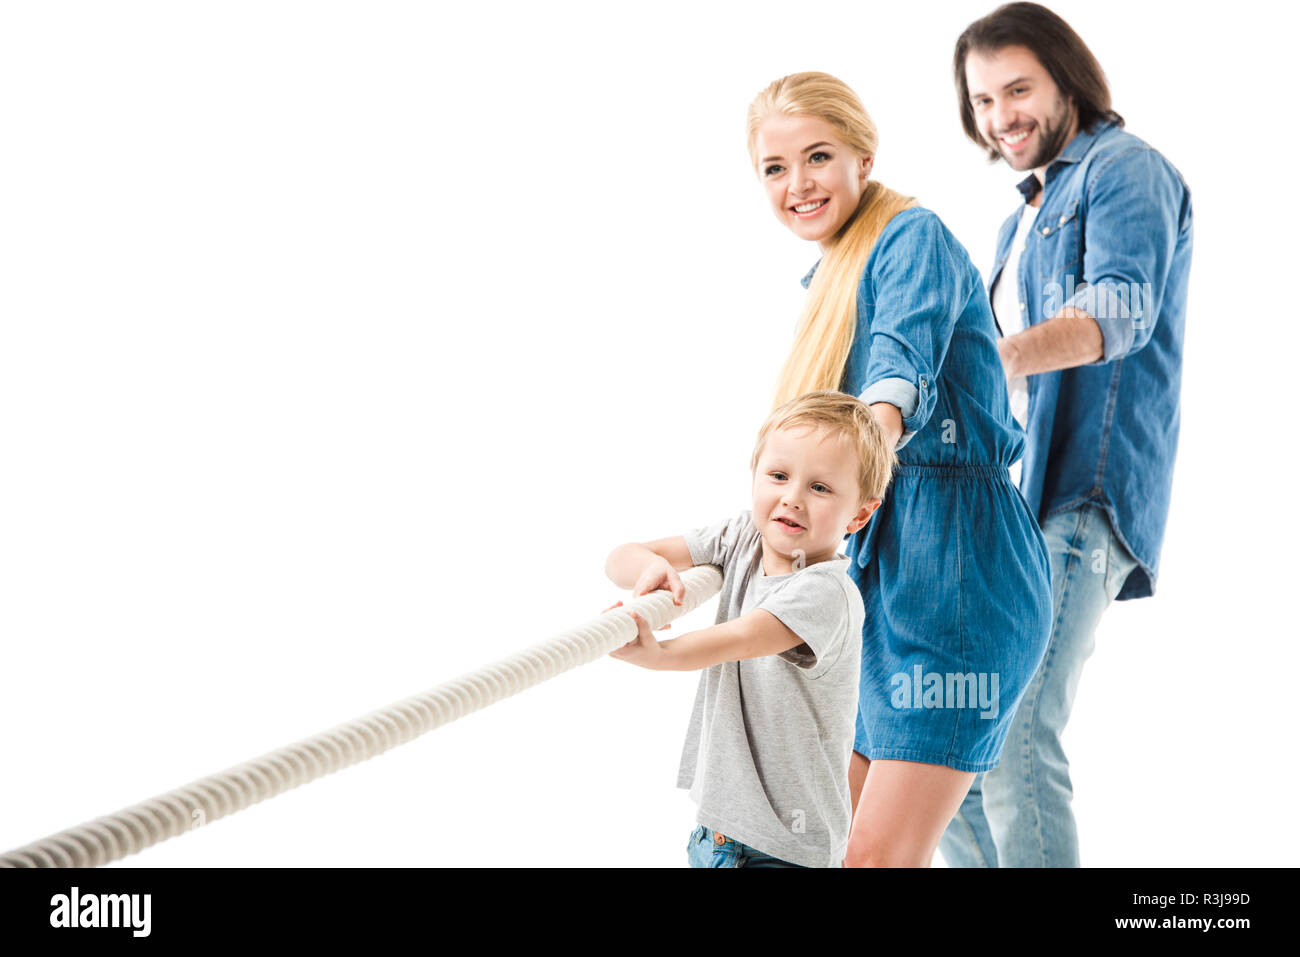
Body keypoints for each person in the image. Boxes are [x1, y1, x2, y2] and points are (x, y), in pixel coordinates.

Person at [747, 71, 1053, 867]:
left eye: (817, 156)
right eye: (774, 168)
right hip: (882, 583)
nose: (798, 184)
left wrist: (870, 437)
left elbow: (898, 369)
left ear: (863, 155)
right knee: (821, 842)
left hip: (960, 577)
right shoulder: (831, 278)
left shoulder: (909, 238)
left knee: (876, 858)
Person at [940, 2, 1193, 868]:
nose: (1000, 115)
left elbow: (1118, 309)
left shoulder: (1125, 171)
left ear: (1065, 81)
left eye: (1018, 89)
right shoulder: (1018, 225)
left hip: (1080, 492)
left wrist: (993, 357)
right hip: (1010, 513)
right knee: (953, 762)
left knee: (1013, 736)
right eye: (981, 100)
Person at [603, 391, 892, 868]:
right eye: (778, 476)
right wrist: (651, 566)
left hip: (783, 852)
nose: (792, 498)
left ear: (859, 514)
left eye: (820, 488)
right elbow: (620, 557)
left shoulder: (827, 592)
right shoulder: (742, 537)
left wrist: (658, 653)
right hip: (717, 833)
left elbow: (741, 638)